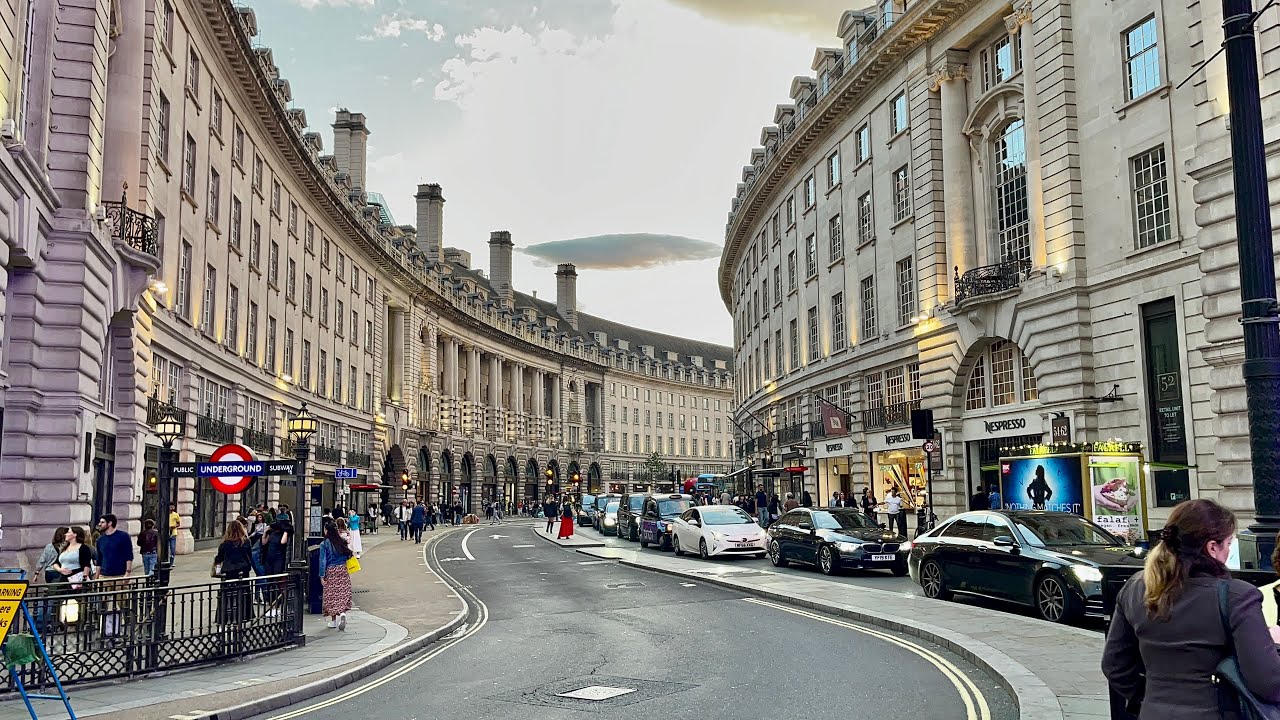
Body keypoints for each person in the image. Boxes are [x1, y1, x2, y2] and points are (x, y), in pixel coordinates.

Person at [1102, 499, 1280, 717]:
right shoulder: (1236, 596)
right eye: (1228, 544)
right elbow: (1268, 682)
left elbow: (1114, 666)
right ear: (1212, 547)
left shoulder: (1136, 588)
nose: (1228, 552)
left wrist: (1146, 699)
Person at [213, 521, 254, 625]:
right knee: (243, 592)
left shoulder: (225, 544)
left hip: (228, 570)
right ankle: (244, 614)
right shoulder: (246, 542)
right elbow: (249, 556)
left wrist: (218, 566)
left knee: (226, 593)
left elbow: (219, 557)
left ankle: (224, 616)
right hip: (242, 569)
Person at [317, 522, 353, 631]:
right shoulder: (341, 541)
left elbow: (322, 560)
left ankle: (333, 621)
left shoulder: (324, 544)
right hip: (342, 569)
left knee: (331, 595)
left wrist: (321, 575)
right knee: (342, 592)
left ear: (326, 530)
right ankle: (342, 613)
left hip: (331, 570)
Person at [94, 514, 133, 580]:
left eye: (102, 522)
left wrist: (127, 573)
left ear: (110, 523)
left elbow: (128, 555)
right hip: (103, 576)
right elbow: (99, 560)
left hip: (119, 575)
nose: (99, 524)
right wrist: (96, 577)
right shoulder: (100, 540)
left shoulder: (123, 536)